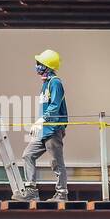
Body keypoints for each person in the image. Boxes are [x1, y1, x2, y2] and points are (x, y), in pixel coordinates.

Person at [17, 48, 68, 201]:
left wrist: (41, 120)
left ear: (47, 66)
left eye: (39, 63)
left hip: (52, 130)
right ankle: (31, 190)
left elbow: (54, 106)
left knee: (56, 162)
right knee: (28, 155)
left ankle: (62, 193)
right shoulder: (45, 84)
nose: (37, 66)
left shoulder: (55, 83)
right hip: (44, 130)